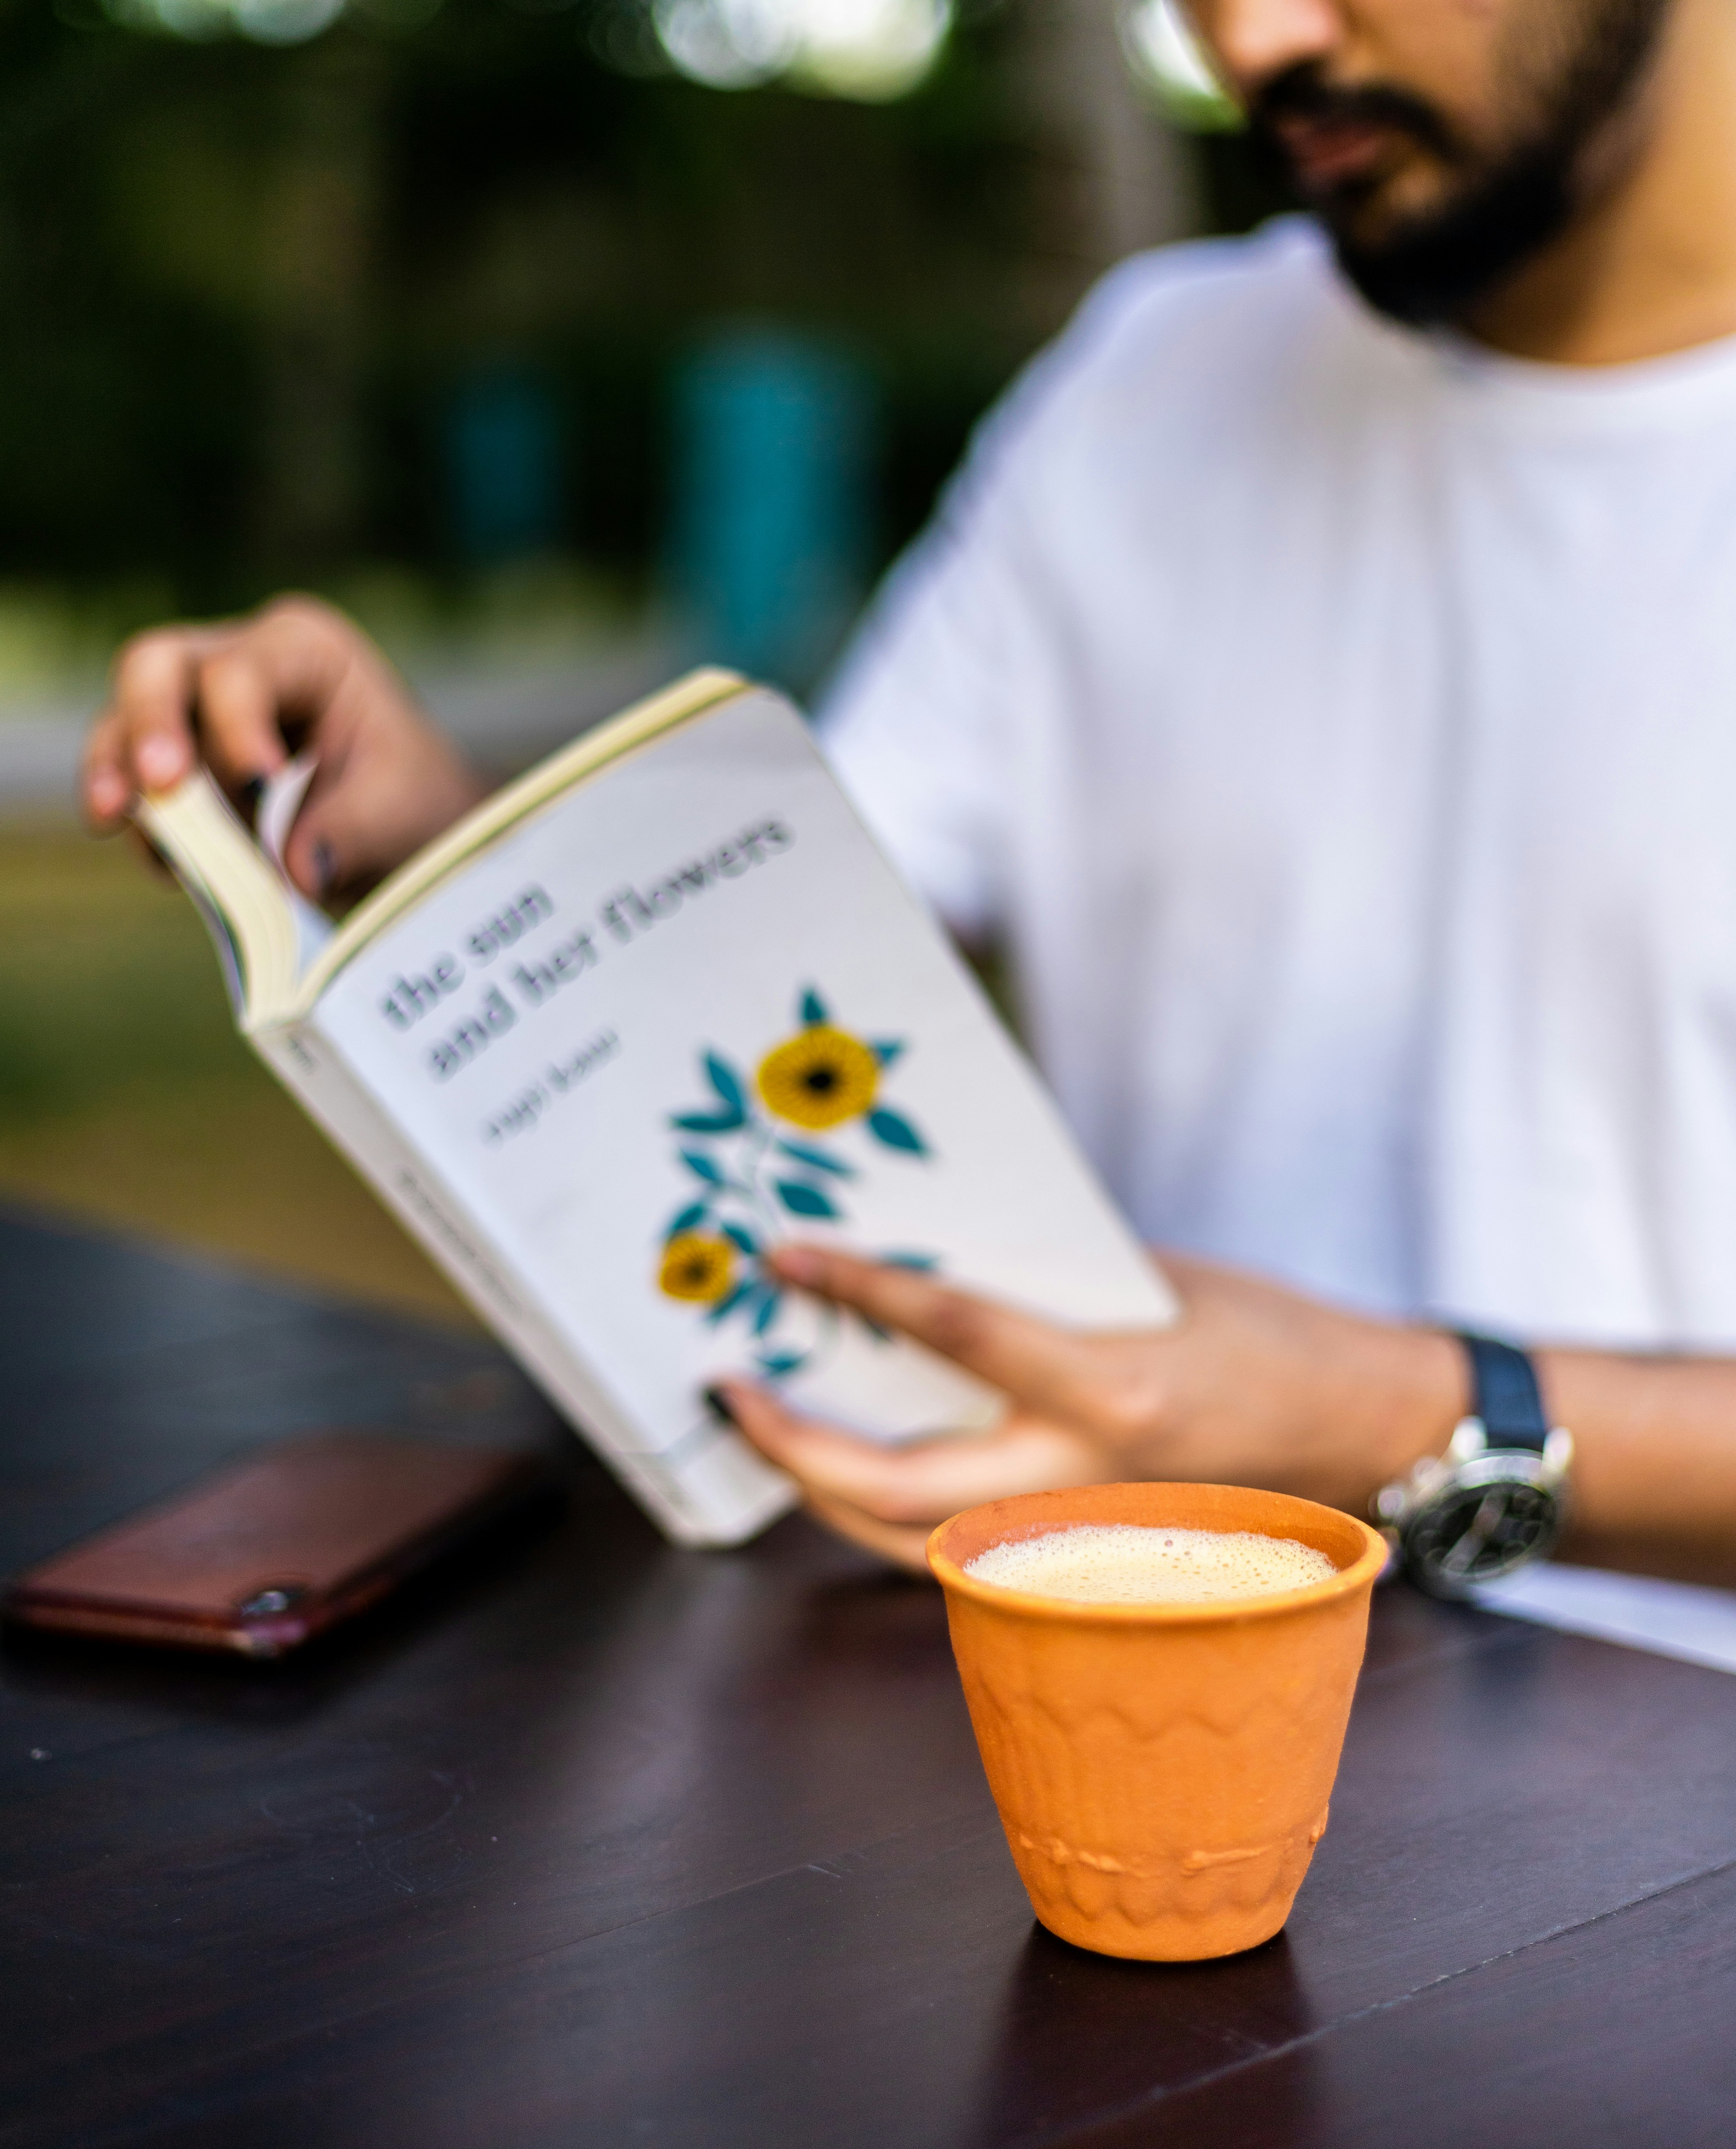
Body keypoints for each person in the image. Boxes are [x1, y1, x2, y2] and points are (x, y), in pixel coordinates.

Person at [82, 0, 1736, 1579]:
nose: (1252, 42)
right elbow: (792, 965)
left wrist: (1388, 1424)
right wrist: (455, 860)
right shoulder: (1152, 374)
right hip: (1087, 1690)